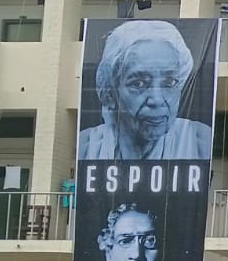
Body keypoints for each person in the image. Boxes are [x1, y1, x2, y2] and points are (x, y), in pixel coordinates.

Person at [77, 20, 211, 161]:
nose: (157, 100)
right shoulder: (87, 148)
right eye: (139, 83)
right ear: (110, 95)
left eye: (169, 82)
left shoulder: (200, 144)